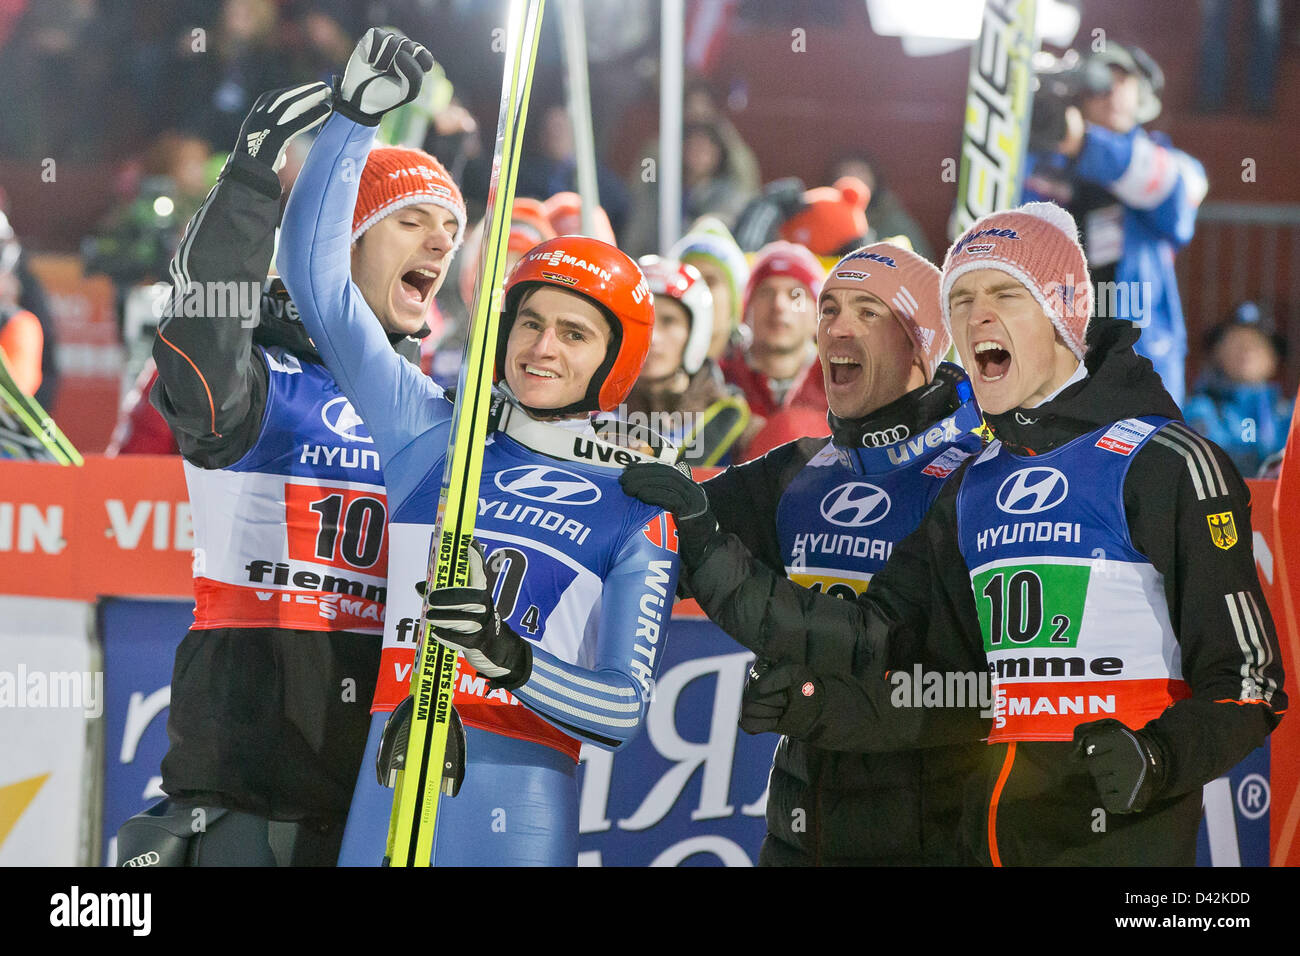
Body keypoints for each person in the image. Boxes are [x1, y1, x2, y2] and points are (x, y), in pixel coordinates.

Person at [623, 202, 1286, 866]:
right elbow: (905, 659)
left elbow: (1248, 680)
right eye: (961, 298)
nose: (977, 315)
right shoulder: (969, 483)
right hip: (964, 840)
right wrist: (812, 701)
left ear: (1063, 312)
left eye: (1004, 293)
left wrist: (1156, 757)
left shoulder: (1153, 461)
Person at [277, 29, 681, 866]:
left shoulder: (638, 506)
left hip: (519, 810)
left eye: (573, 333)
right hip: (388, 792)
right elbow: (316, 281)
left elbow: (618, 711)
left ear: (613, 360)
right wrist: (353, 122)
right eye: (529, 321)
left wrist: (510, 657)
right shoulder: (430, 433)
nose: (541, 346)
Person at [113, 74, 460, 866]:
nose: (441, 242)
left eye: (450, 227)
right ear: (343, 242)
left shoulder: (437, 413)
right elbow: (197, 353)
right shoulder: (264, 379)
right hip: (249, 813)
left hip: (381, 814)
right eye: (411, 221)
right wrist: (251, 178)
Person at [659, 241, 985, 865]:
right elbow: (653, 539)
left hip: (944, 833)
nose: (837, 326)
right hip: (803, 826)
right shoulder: (799, 475)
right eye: (830, 307)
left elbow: (988, 690)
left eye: (868, 312)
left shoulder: (980, 476)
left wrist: (832, 701)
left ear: (922, 342)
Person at [1025, 42, 1208, 405]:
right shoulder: (1045, 166)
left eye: (1122, 80)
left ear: (1143, 91)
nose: (1110, 92)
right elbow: (1006, 221)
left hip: (1140, 347)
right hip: (1060, 338)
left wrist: (1082, 141)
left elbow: (1173, 203)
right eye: (1098, 83)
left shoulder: (1178, 165)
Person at [626, 255, 749, 466]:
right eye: (644, 320)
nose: (653, 337)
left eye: (668, 321)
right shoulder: (592, 413)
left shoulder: (730, 418)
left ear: (695, 332)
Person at [719, 240, 825, 422]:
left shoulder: (843, 385)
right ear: (747, 309)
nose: (779, 305)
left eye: (795, 295)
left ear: (818, 315)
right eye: (766, 292)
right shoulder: (716, 384)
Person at [1183, 302, 1293, 477]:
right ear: (1217, 352)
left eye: (1256, 343)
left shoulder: (1289, 414)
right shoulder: (1200, 409)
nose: (1246, 351)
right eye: (1236, 342)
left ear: (1273, 358)